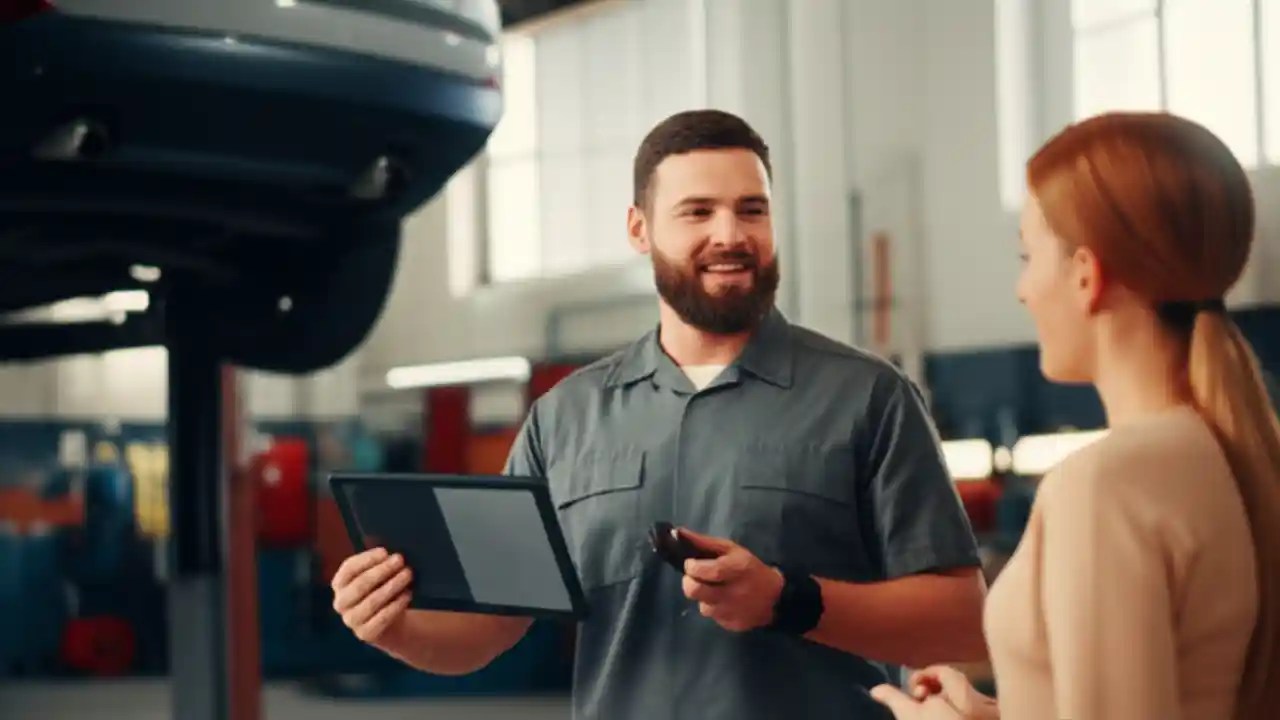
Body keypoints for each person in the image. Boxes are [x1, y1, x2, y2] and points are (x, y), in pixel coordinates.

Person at [330, 109, 989, 719]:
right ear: (639, 229)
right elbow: (492, 627)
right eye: (697, 212)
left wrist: (788, 599)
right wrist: (396, 627)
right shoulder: (564, 420)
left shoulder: (869, 399)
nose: (730, 235)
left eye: (751, 210)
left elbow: (961, 619)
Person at [870, 111, 1280, 720]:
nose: (1022, 290)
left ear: (1086, 275)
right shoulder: (1225, 450)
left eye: (1026, 257)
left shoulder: (1103, 486)